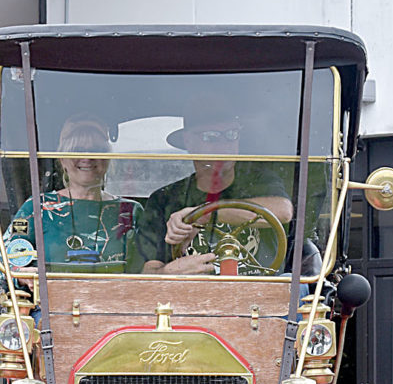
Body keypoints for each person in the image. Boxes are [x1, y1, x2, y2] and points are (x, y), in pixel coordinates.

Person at [126, 103, 293, 275]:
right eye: (211, 137)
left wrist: (204, 215)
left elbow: (283, 211)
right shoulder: (164, 199)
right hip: (190, 298)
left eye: (231, 135)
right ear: (188, 141)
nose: (224, 145)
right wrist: (170, 273)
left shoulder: (260, 181)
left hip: (262, 296)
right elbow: (147, 272)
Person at [0, 114, 141, 273]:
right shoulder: (37, 208)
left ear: (108, 158)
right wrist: (22, 274)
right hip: (50, 298)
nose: (87, 158)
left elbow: (149, 268)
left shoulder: (131, 211)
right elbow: (2, 261)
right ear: (62, 159)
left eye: (96, 151)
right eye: (77, 150)